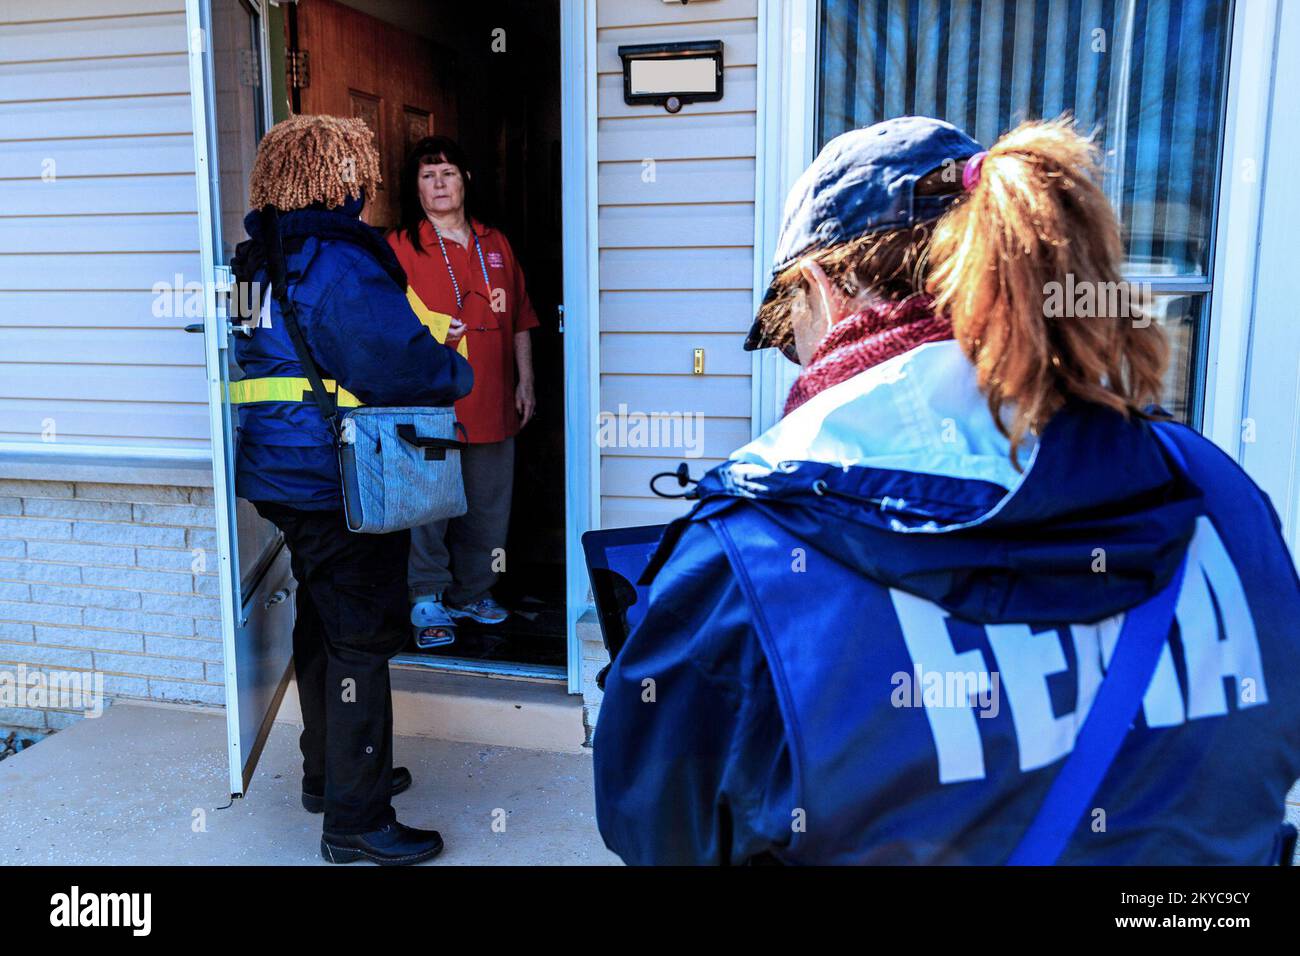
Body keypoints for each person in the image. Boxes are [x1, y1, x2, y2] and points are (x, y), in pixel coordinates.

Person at [592, 116, 1300, 865]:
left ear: (826, 291)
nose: (790, 358)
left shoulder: (751, 554)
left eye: (785, 325)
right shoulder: (1218, 489)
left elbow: (658, 829)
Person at [230, 115, 472, 865]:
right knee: (362, 639)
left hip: (278, 472)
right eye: (358, 175)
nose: (365, 190)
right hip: (337, 478)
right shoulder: (335, 261)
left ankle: (327, 773)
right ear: (339, 180)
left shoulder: (251, 263)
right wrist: (453, 369)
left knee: (321, 619)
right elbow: (394, 360)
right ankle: (357, 823)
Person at [387, 136, 539, 647]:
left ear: (465, 179)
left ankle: (474, 591)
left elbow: (520, 317)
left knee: (488, 502)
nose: (439, 184)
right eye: (428, 176)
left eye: (447, 173)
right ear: (416, 188)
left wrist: (527, 382)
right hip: (430, 400)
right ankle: (426, 593)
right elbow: (383, 324)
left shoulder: (495, 241)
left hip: (494, 396)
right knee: (430, 503)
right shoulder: (400, 245)